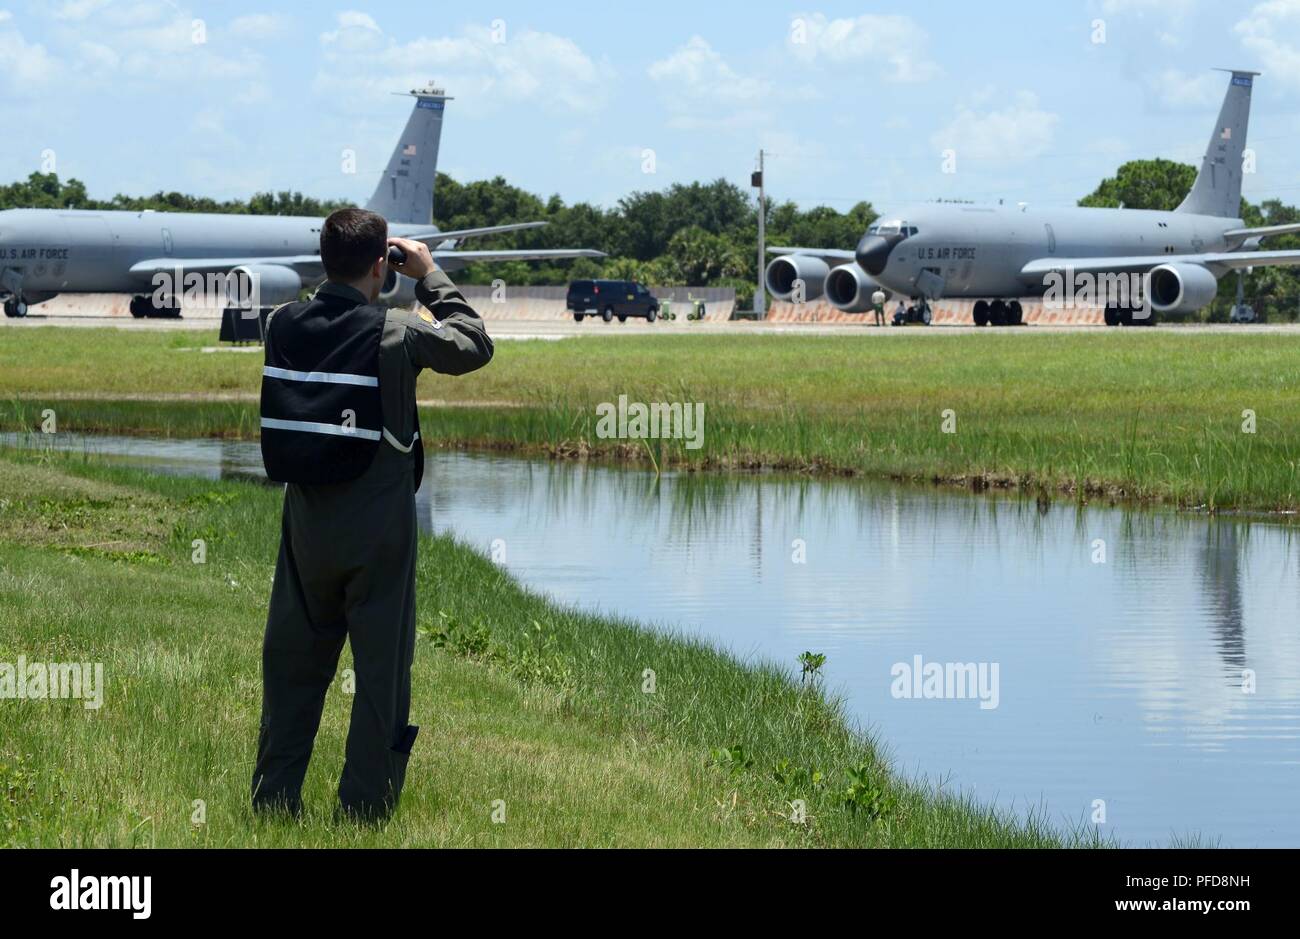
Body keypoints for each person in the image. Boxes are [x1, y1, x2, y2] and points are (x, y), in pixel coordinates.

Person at [251, 207, 493, 822]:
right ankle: (362, 811)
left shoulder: (280, 322)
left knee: (292, 668)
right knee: (380, 677)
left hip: (305, 528)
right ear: (382, 263)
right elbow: (474, 344)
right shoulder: (396, 332)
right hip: (379, 528)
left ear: (323, 257)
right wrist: (431, 276)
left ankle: (273, 802)